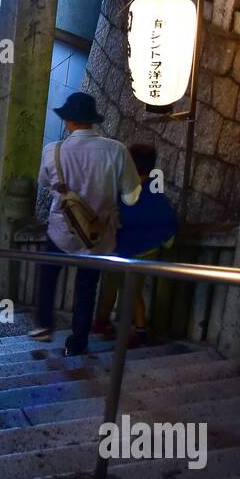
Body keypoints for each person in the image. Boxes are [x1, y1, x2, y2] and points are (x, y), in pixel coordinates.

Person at [32, 92, 141, 357]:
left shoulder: (53, 151)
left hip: (61, 232)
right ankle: (78, 341)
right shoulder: (117, 150)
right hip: (98, 235)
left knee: (48, 276)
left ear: (68, 121)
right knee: (87, 287)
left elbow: (45, 184)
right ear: (92, 120)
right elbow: (132, 195)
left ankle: (44, 325)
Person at [92, 142, 177, 347]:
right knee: (131, 289)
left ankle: (124, 327)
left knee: (120, 287)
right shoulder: (155, 192)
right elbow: (168, 219)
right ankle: (125, 327)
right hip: (148, 250)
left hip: (123, 250)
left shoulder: (125, 189)